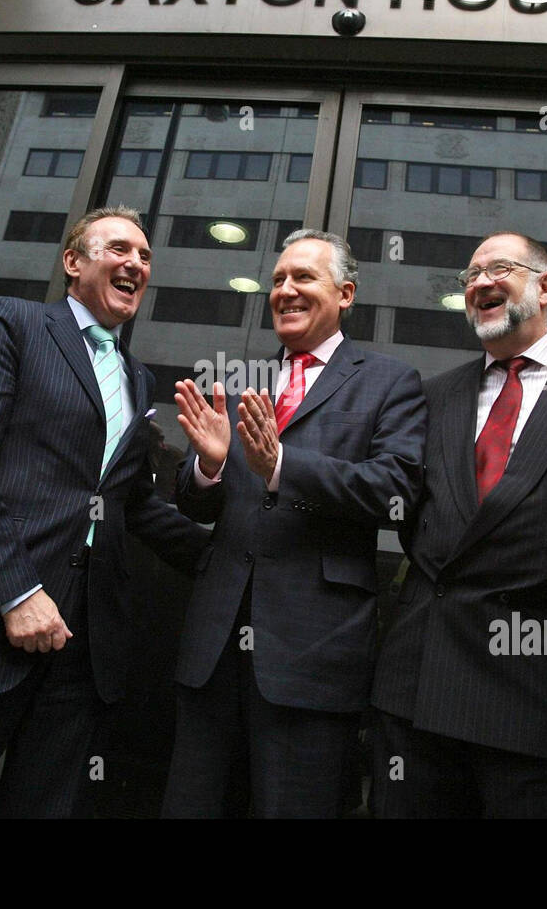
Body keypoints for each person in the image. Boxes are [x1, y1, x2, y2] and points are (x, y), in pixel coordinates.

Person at [0, 206, 209, 818]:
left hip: (84, 648)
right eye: (119, 249)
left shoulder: (137, 380)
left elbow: (127, 503)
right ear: (72, 263)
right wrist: (15, 593)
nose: (136, 264)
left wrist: (231, 556)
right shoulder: (16, 323)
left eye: (144, 257)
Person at [164, 228, 426, 817]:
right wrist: (207, 466)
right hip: (213, 649)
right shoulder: (238, 382)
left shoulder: (390, 382)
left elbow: (394, 492)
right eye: (278, 279)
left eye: (303, 277)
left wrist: (283, 466)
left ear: (347, 293)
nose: (285, 290)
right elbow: (197, 502)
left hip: (313, 655)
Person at [369, 232, 547, 817]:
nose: (479, 283)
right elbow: (415, 521)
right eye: (470, 277)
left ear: (546, 286)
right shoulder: (433, 396)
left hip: (545, 699)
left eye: (499, 268)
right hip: (417, 695)